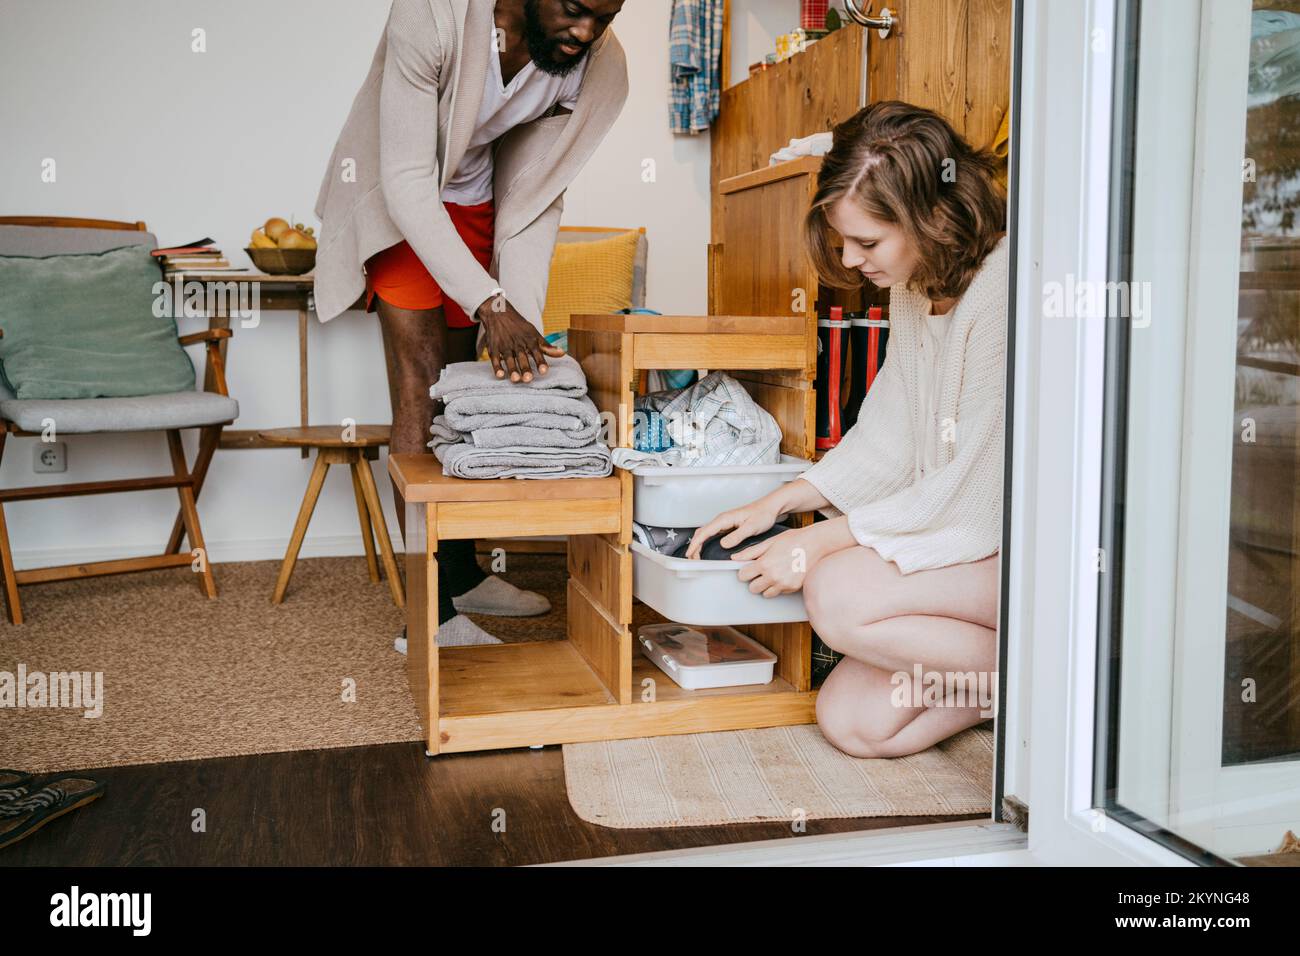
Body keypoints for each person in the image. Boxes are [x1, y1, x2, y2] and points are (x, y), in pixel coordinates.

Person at [685, 101, 1008, 758]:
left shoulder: (1002, 290)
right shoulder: (918, 284)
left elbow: (975, 497)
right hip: (964, 556)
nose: (853, 259)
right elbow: (889, 433)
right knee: (852, 721)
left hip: (1017, 553)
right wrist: (778, 500)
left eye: (868, 242)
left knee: (834, 589)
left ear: (930, 217)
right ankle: (1005, 688)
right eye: (845, 241)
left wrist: (824, 541)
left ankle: (1048, 671)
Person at [314, 0, 628, 649]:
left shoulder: (598, 65)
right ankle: (428, 618)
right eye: (575, 10)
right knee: (420, 385)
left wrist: (517, 318)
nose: (587, 32)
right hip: (401, 199)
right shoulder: (430, 16)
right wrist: (490, 303)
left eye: (607, 15)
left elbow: (538, 196)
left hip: (478, 202)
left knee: (464, 390)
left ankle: (459, 571)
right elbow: (404, 178)